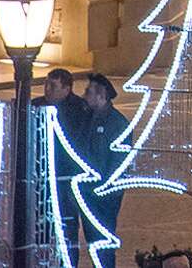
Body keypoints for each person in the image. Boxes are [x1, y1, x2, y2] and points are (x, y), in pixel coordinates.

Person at [77, 73, 128, 266]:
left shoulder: (117, 124)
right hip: (86, 191)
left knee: (103, 240)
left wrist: (104, 188)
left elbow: (118, 164)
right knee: (92, 239)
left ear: (101, 96)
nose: (85, 95)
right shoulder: (88, 117)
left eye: (88, 91)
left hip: (104, 195)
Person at [40, 69, 90, 261]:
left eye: (53, 86)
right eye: (46, 84)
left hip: (66, 179)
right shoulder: (37, 106)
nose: (47, 89)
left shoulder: (80, 110)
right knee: (41, 227)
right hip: (42, 178)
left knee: (67, 228)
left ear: (67, 89)